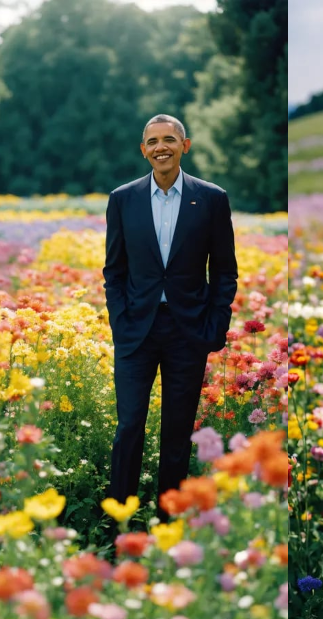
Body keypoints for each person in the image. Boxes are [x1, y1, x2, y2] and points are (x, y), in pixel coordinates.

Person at [102, 114, 238, 522]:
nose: (161, 147)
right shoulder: (122, 198)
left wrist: (215, 325)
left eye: (170, 140)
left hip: (188, 331)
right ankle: (119, 520)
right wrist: (120, 322)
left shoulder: (212, 198)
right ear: (143, 149)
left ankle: (169, 521)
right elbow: (114, 271)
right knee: (129, 428)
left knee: (177, 433)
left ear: (185, 145)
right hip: (136, 331)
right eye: (153, 141)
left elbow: (225, 270)